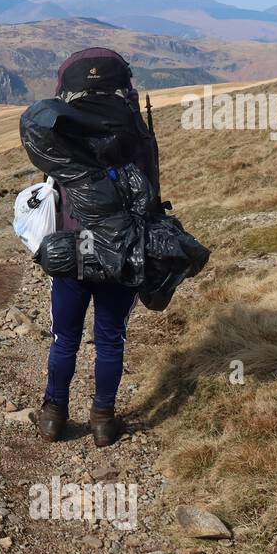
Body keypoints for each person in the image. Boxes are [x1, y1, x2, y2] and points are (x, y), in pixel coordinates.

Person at [33, 48, 161, 447]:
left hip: (72, 250)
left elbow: (49, 189)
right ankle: (103, 420)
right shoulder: (136, 129)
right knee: (110, 338)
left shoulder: (61, 129)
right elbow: (152, 192)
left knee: (64, 337)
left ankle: (54, 415)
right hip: (122, 252)